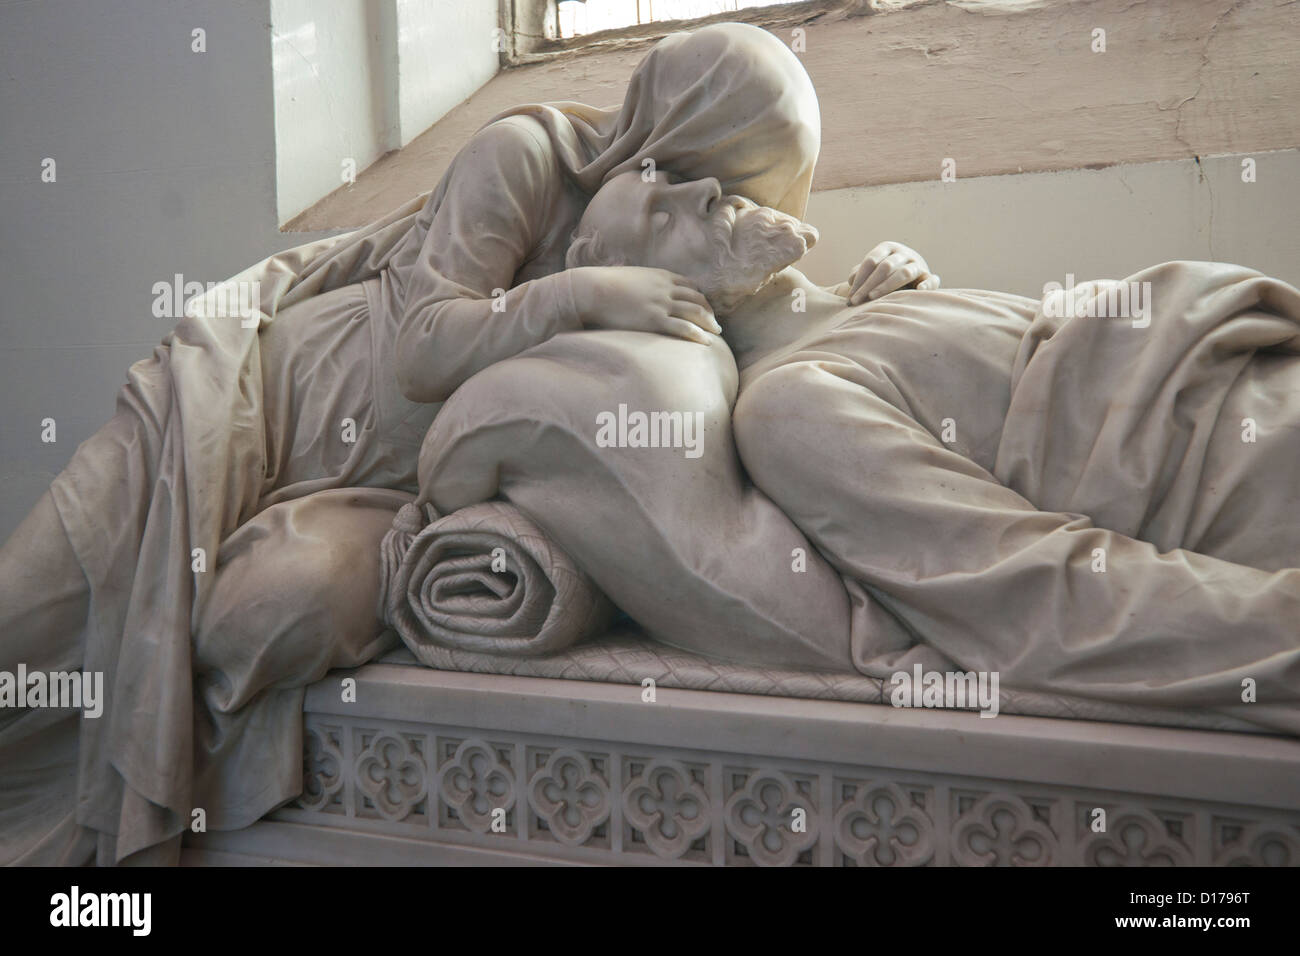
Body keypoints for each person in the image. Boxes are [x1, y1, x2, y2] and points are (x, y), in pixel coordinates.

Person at [1, 22, 937, 867]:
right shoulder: (528, 154)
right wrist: (578, 295)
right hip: (250, 407)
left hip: (381, 496)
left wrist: (890, 284)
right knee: (25, 626)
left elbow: (774, 321)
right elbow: (421, 345)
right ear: (667, 127)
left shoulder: (682, 241)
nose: (708, 197)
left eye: (741, 186)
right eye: (707, 165)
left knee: (277, 610)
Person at [565, 170, 1300, 733]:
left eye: (681, 177)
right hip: (1236, 462)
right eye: (660, 213)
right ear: (634, 286)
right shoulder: (790, 404)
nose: (706, 186)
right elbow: (1029, 583)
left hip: (1236, 358)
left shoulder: (874, 293)